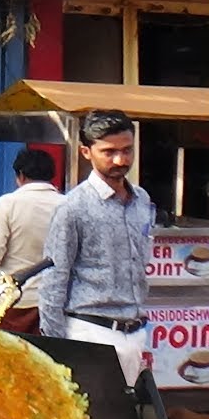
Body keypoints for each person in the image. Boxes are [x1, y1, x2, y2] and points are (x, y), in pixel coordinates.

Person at [41, 110, 154, 386]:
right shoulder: (73, 208)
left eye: (127, 150)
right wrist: (57, 349)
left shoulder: (141, 200)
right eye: (109, 152)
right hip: (90, 332)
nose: (120, 160)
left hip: (136, 332)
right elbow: (54, 280)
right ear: (86, 152)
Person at [0, 149, 64, 335]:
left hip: (13, 302)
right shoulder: (67, 205)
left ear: (21, 176)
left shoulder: (9, 203)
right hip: (53, 303)